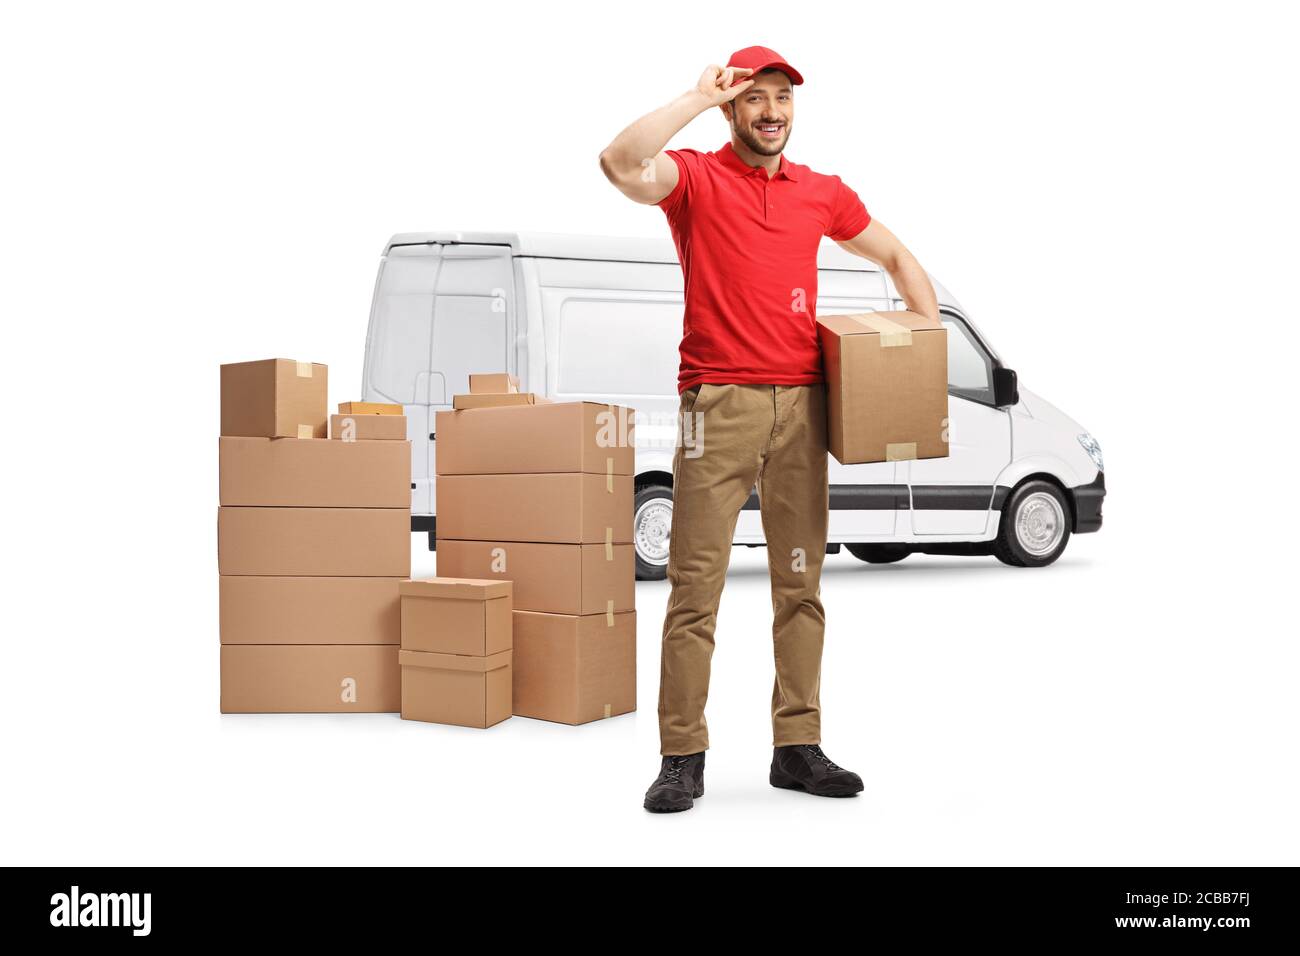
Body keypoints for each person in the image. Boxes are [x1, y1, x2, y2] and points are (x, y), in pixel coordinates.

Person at [598, 45, 939, 813]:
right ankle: (682, 755)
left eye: (782, 97)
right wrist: (692, 95)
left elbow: (892, 252)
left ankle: (797, 746)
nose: (772, 111)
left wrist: (920, 340)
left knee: (800, 584)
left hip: (803, 410)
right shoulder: (693, 178)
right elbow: (620, 160)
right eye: (754, 98)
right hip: (714, 408)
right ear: (730, 109)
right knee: (695, 589)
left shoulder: (820, 192)